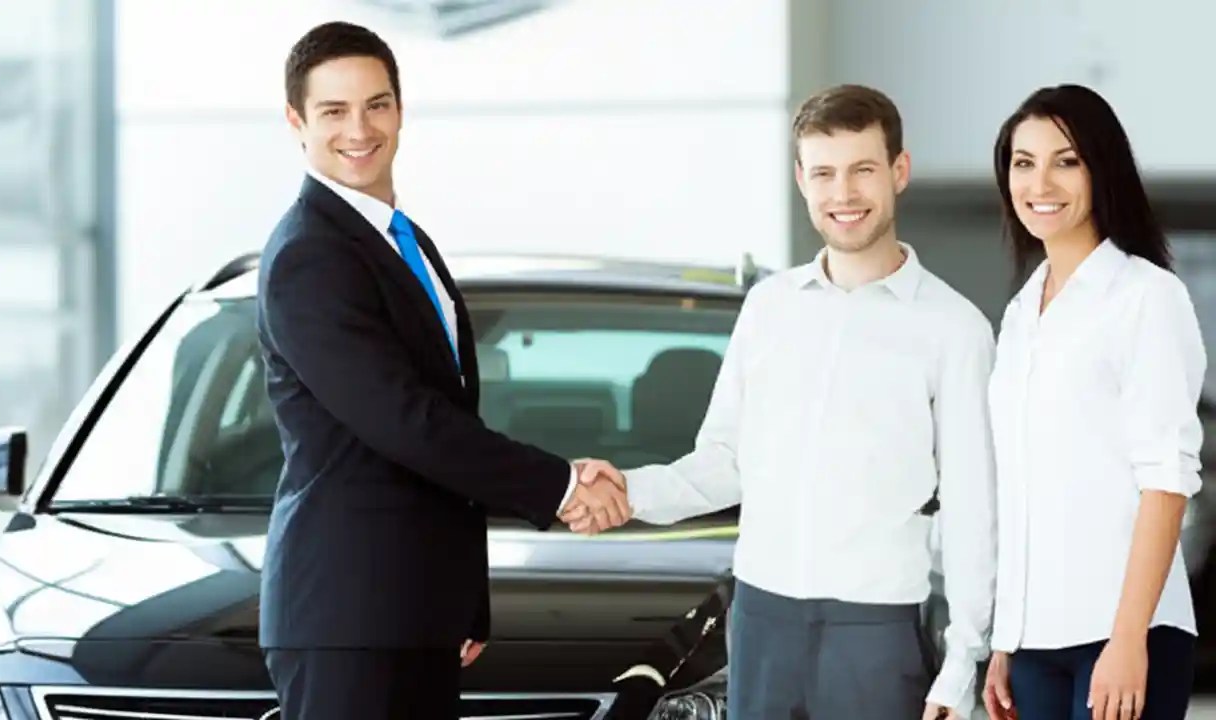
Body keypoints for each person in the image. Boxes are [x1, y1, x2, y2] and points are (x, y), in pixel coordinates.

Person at [570, 84, 997, 720]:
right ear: (802, 179)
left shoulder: (954, 328)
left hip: (876, 631)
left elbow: (972, 510)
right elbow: (723, 463)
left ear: (898, 172)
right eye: (824, 173)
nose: (843, 194)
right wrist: (629, 490)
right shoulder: (768, 308)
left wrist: (962, 663)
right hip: (762, 619)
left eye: (862, 170)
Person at [255, 21, 629, 720]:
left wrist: (464, 598)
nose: (359, 129)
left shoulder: (400, 239)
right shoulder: (310, 256)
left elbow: (446, 427)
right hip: (348, 619)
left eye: (377, 104)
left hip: (411, 612)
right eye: (333, 111)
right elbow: (406, 422)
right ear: (295, 122)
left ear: (400, 109)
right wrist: (560, 485)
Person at [979, 84, 1205, 720]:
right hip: (1033, 644)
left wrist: (1129, 640)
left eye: (1065, 160)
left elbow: (1168, 480)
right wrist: (1004, 640)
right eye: (1023, 162)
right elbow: (1021, 487)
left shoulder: (1145, 297)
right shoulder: (1023, 311)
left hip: (1126, 635)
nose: (1040, 181)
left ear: (1101, 169)